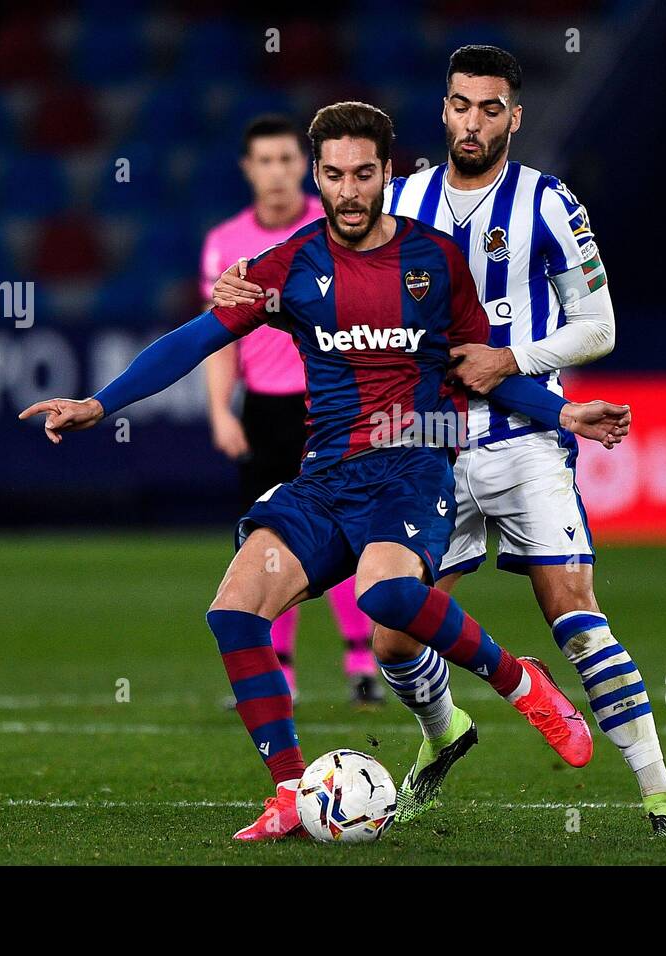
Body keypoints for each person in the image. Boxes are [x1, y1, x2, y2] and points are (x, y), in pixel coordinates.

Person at [19, 101, 633, 841]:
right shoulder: (294, 264)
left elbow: (485, 371)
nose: (348, 190)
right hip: (326, 475)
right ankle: (287, 793)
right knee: (234, 609)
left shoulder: (434, 260)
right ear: (318, 174)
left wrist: (562, 415)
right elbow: (194, 339)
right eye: (334, 174)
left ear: (385, 173)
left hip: (413, 468)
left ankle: (521, 681)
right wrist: (100, 402)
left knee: (386, 593)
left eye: (363, 174)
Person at [211, 48, 666, 836]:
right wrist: (247, 278)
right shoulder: (398, 196)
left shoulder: (549, 202)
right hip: (425, 446)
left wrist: (519, 362)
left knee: (571, 608)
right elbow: (315, 261)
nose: (475, 122)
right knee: (393, 629)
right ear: (443, 111)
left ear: (515, 115)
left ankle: (659, 794)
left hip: (523, 438)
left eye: (492, 108)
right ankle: (445, 734)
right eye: (462, 106)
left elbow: (601, 326)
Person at [201, 114, 380, 707]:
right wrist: (222, 412)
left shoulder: (329, 227)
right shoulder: (225, 242)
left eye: (286, 159)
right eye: (265, 161)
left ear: (302, 167)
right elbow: (218, 337)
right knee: (270, 538)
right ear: (248, 170)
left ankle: (362, 664)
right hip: (263, 411)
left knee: (341, 530)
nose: (277, 172)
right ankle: (280, 672)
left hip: (327, 409)